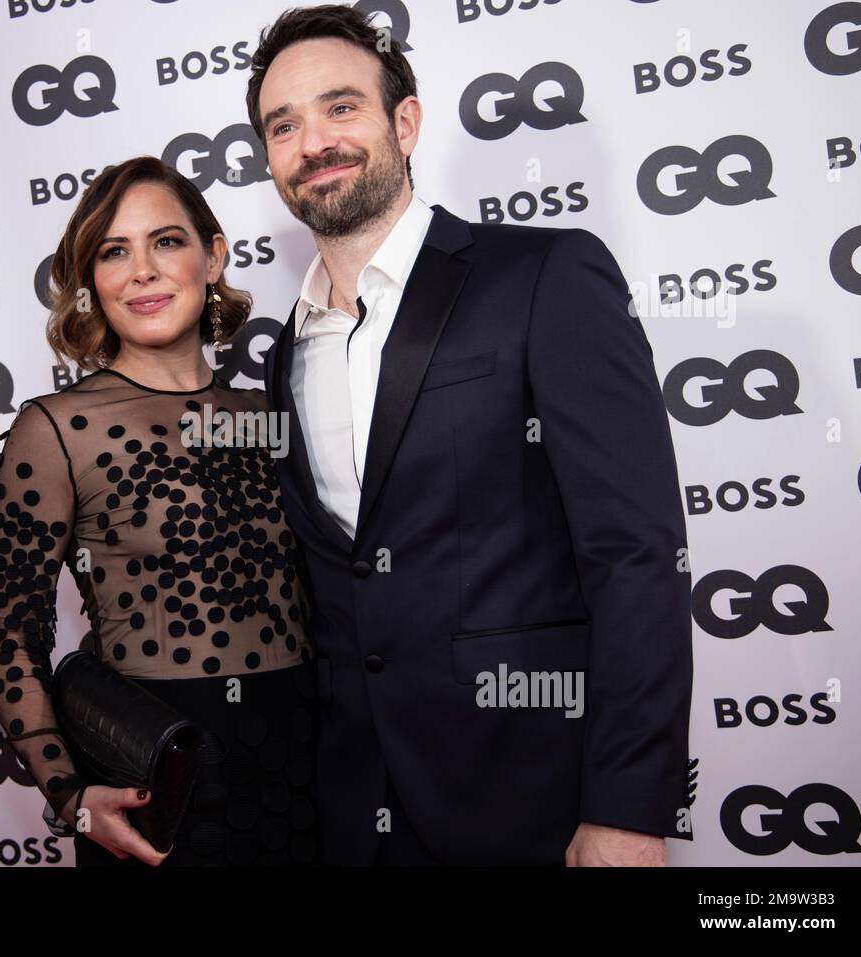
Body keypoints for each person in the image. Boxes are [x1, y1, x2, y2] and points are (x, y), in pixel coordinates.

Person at [247, 5, 693, 866]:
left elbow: (636, 555)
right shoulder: (284, 353)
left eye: (342, 107)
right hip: (356, 808)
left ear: (405, 122)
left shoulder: (544, 276)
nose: (314, 142)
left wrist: (629, 808)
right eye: (284, 124)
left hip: (534, 798)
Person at [0, 155, 319, 867]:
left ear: (212, 256)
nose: (142, 271)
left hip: (306, 770)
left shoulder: (267, 414)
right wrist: (70, 795)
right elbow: (11, 635)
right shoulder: (56, 429)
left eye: (166, 241)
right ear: (90, 282)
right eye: (113, 252)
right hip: (161, 782)